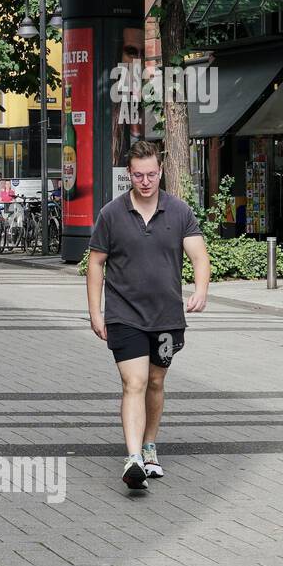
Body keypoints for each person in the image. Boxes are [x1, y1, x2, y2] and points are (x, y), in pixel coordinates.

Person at [87, 141, 211, 491]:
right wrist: (95, 312)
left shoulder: (179, 211)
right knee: (134, 383)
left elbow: (199, 257)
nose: (145, 181)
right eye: (138, 175)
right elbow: (96, 263)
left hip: (167, 317)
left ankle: (150, 445)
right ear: (129, 175)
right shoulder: (111, 213)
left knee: (156, 382)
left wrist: (200, 289)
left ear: (161, 171)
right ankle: (133, 458)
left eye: (151, 174)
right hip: (124, 314)